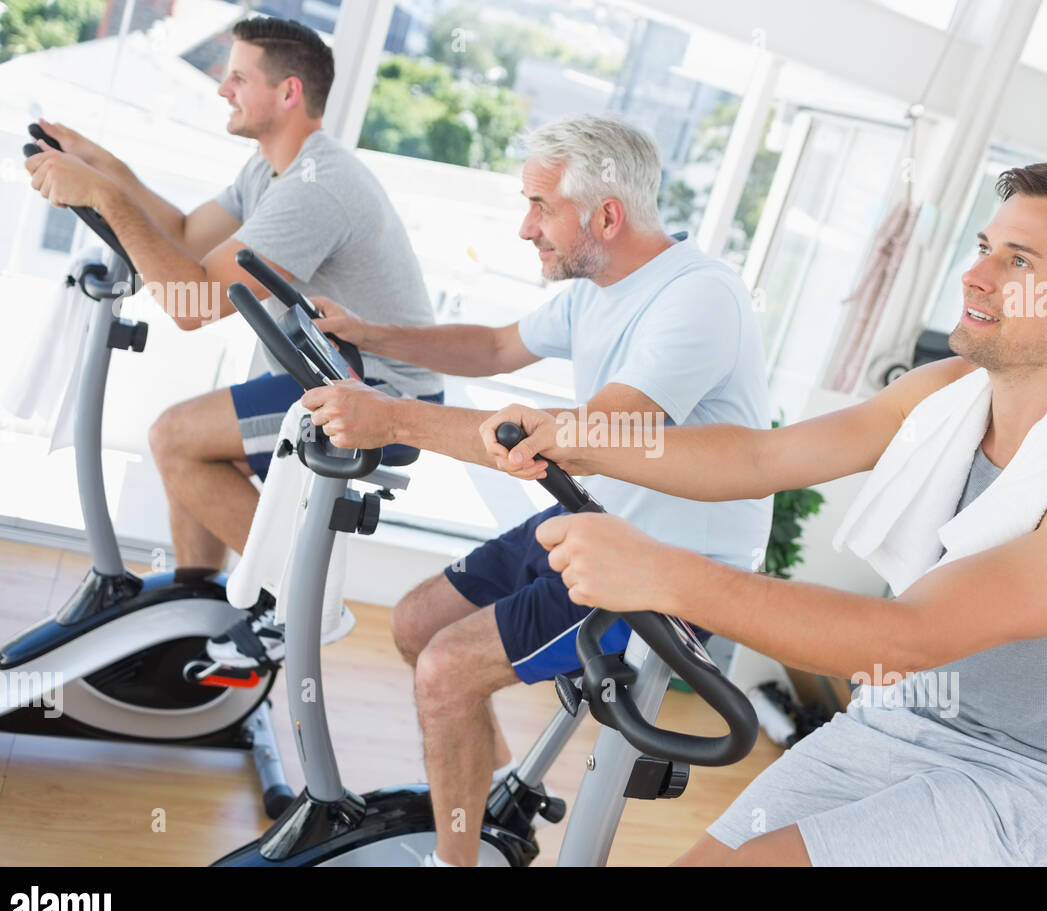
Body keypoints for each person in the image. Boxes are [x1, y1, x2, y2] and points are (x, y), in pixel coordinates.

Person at [481, 159, 1047, 867]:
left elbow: (907, 639)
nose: (974, 275)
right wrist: (580, 437)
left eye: (1018, 262)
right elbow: (761, 460)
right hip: (899, 720)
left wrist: (662, 574)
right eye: (984, 247)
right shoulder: (951, 393)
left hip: (1033, 779)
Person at [297, 114, 773, 866]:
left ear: (606, 217)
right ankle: (487, 801)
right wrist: (368, 333)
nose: (526, 228)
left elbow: (590, 439)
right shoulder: (600, 286)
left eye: (541, 208)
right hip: (598, 520)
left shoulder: (697, 298)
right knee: (418, 622)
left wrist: (393, 417)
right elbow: (492, 346)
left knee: (448, 670)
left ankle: (456, 860)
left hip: (666, 563)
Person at [23, 16, 444, 613]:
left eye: (239, 77)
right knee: (187, 441)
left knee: (175, 437)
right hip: (330, 375)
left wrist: (104, 196)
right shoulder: (271, 168)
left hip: (381, 392)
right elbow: (185, 235)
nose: (222, 88)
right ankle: (205, 617)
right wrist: (100, 165)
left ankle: (303, 608)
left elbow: (193, 303)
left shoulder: (314, 188)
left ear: (288, 92)